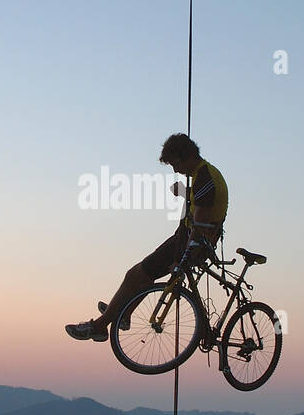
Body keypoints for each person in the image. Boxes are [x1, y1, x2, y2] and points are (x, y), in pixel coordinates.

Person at [65, 133, 229, 342]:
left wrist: (184, 259)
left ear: (186, 156)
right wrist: (184, 192)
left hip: (190, 242)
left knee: (135, 275)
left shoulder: (205, 180)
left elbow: (201, 227)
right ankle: (123, 314)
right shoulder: (204, 175)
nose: (175, 170)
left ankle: (99, 326)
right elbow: (201, 202)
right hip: (185, 238)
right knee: (142, 276)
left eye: (174, 163)